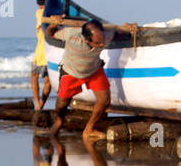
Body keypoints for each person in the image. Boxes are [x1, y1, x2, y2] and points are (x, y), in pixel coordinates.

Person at [44, 15, 139, 144]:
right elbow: (51, 34)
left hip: (94, 70)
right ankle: (60, 120)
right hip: (71, 72)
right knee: (61, 104)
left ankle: (89, 129)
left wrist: (128, 29)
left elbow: (120, 34)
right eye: (97, 43)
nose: (102, 44)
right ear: (87, 40)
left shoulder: (106, 36)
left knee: (104, 100)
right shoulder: (72, 35)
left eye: (103, 42)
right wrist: (53, 25)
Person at [31, 0, 52, 120]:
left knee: (34, 77)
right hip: (48, 52)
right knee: (47, 81)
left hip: (40, 53)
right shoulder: (51, 15)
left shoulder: (39, 13)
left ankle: (38, 103)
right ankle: (41, 104)